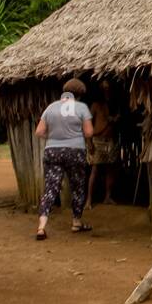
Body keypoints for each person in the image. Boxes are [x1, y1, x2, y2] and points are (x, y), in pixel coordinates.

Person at [34, 78, 93, 240]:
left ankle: (41, 226)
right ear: (80, 95)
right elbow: (88, 133)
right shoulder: (82, 108)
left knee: (50, 188)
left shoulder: (51, 107)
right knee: (78, 187)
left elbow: (39, 132)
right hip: (75, 151)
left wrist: (53, 136)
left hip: (52, 150)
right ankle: (76, 222)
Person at [87, 79, 119, 206]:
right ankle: (89, 200)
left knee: (110, 169)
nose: (107, 90)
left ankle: (108, 197)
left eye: (108, 88)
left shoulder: (113, 105)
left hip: (111, 140)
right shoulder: (95, 105)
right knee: (95, 170)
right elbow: (88, 124)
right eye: (104, 88)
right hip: (97, 140)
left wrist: (114, 120)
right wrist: (89, 141)